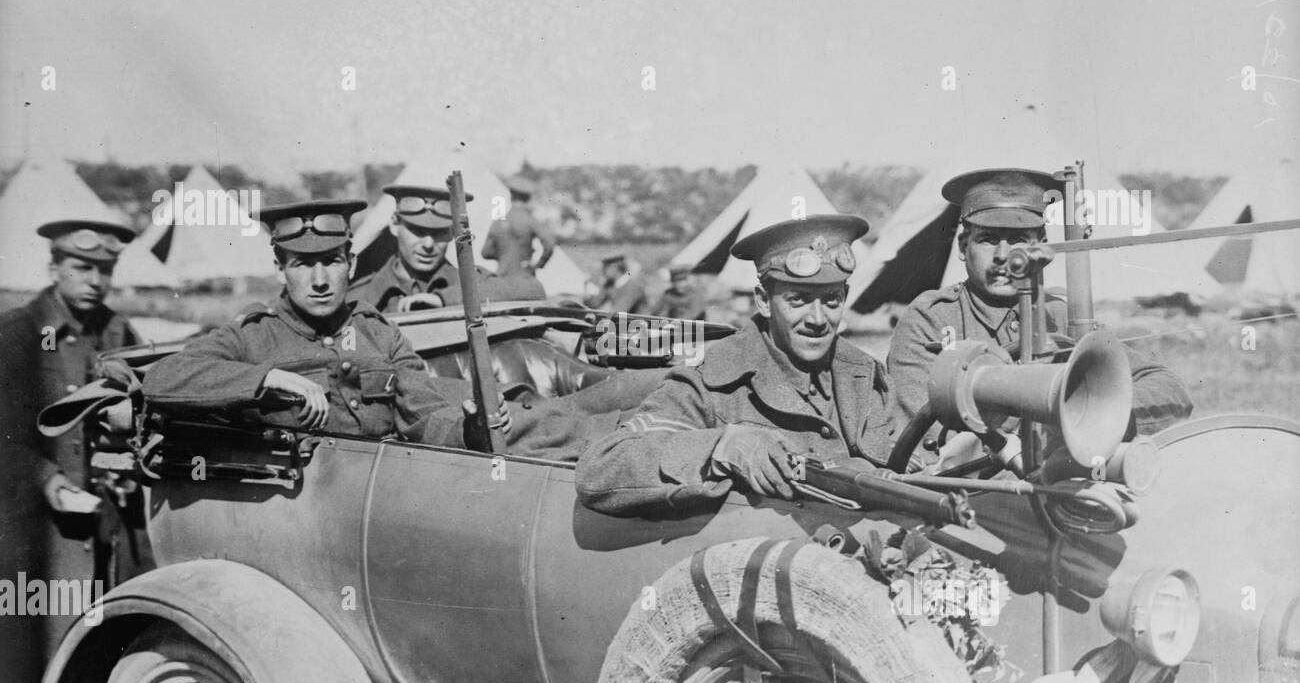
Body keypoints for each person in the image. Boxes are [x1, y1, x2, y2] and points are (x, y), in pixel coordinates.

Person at [576, 215, 904, 518]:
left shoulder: (864, 375)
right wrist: (720, 447)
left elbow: (907, 462)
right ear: (763, 300)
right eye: (798, 300)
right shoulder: (715, 379)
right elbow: (602, 468)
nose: (818, 319)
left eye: (831, 299)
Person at [145, 200, 498, 447]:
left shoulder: (379, 333)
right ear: (278, 268)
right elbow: (162, 379)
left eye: (331, 261)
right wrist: (267, 378)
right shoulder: (253, 336)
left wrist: (469, 429)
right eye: (302, 264)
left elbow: (423, 412)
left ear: (352, 264)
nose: (320, 280)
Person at [887, 169, 1194, 441]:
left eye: (1019, 239)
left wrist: (1094, 413)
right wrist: (1057, 424)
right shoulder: (932, 320)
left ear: (1041, 246)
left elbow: (1170, 392)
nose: (1003, 255)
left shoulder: (1062, 317)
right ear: (963, 247)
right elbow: (927, 435)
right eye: (988, 239)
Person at [0, 211, 141, 683]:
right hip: (32, 544)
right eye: (82, 267)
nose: (95, 280)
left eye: (105, 269)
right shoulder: (18, 332)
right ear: (54, 266)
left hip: (106, 539)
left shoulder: (122, 335)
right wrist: (50, 482)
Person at [346, 184, 545, 314]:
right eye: (417, 231)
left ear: (452, 232)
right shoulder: (359, 297)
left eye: (439, 233)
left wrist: (444, 299)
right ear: (395, 224)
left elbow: (532, 289)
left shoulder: (469, 282)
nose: (428, 245)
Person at [481, 174, 555, 283]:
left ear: (511, 196)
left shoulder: (498, 222)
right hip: (525, 277)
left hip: (502, 278)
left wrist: (505, 255)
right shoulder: (531, 220)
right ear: (528, 198)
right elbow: (549, 244)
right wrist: (538, 265)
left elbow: (485, 253)